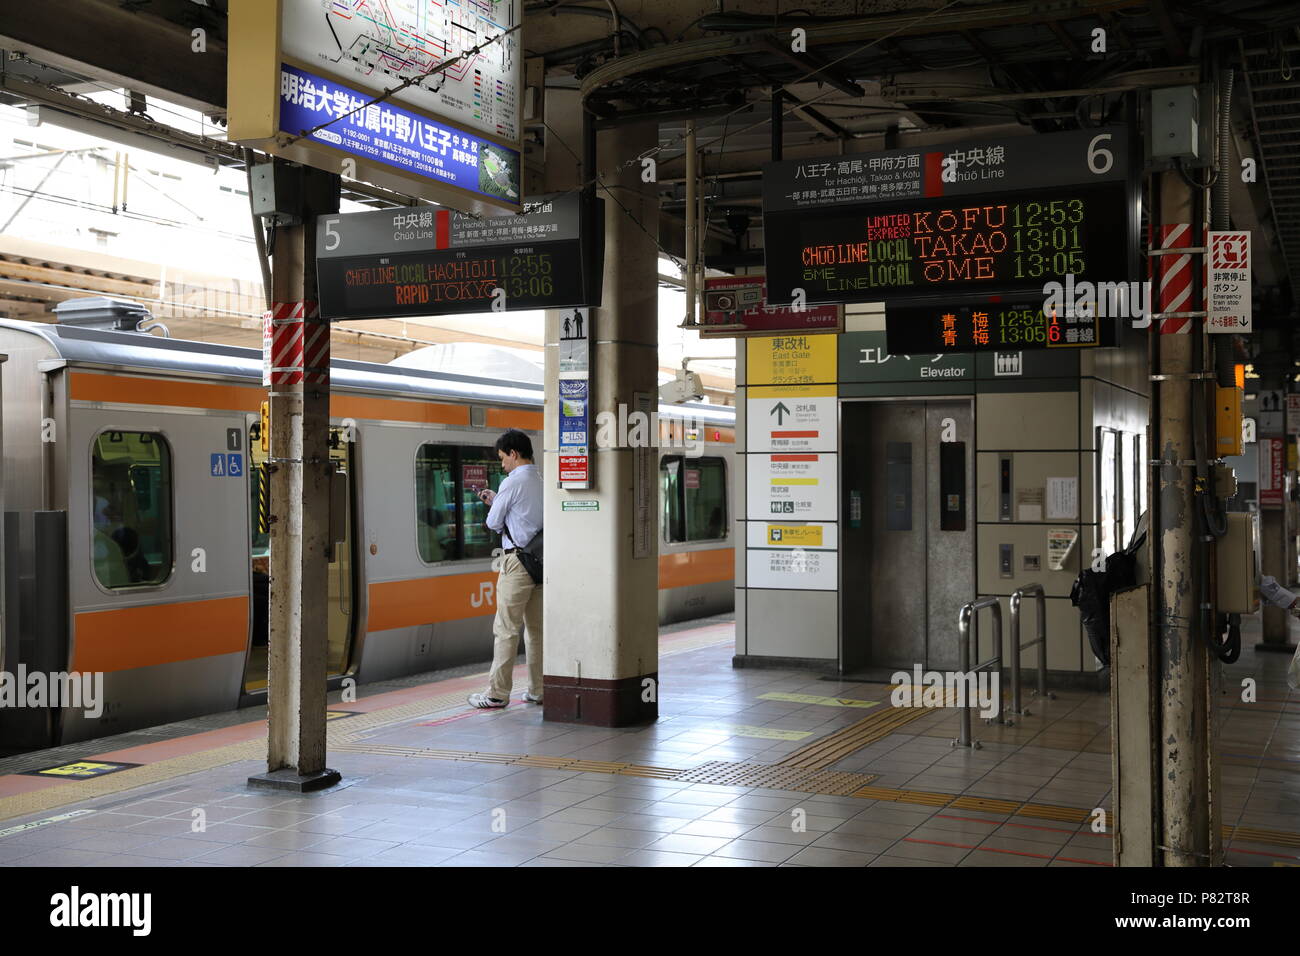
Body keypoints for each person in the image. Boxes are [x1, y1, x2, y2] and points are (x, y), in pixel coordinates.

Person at [468, 429, 543, 708]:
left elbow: (493, 523)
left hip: (517, 563)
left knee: (507, 629)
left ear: (513, 454)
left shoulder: (512, 483)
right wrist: (498, 499)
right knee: (536, 630)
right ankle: (539, 689)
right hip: (539, 562)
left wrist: (494, 503)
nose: (502, 464)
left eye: (502, 458)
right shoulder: (540, 479)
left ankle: (497, 693)